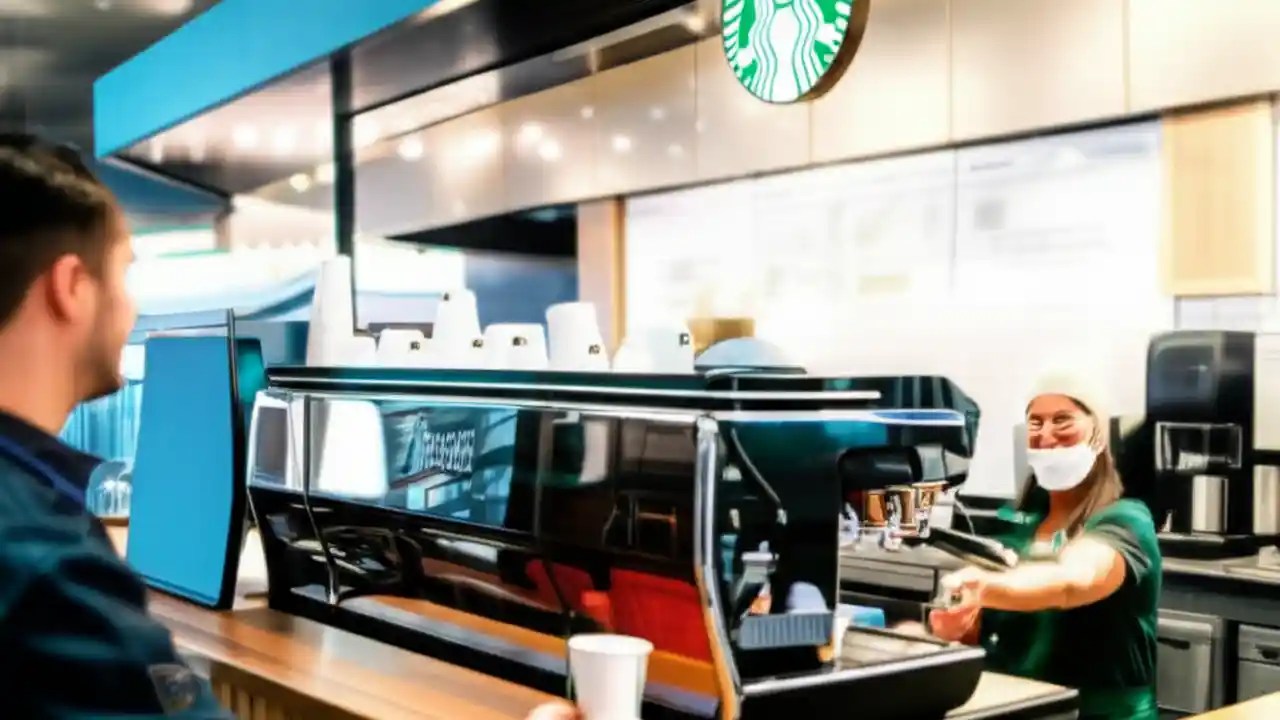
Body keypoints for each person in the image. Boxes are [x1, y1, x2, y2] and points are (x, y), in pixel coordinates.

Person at [929, 370, 1161, 720]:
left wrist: (983, 587)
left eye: (1063, 420)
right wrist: (956, 627)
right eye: (1035, 422)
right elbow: (985, 628)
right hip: (1019, 708)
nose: (1047, 435)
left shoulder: (1125, 519)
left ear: (1098, 435)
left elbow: (1073, 581)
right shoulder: (1015, 519)